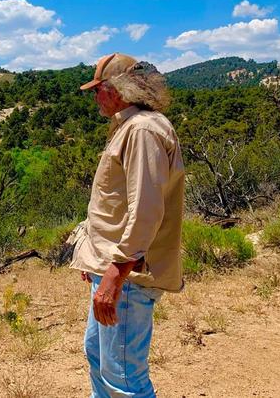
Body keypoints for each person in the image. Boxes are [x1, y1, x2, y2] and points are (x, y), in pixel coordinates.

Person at [70, 53, 185, 397]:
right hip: (115, 268)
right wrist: (93, 256)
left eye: (99, 89)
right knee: (98, 356)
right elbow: (118, 203)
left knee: (123, 379)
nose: (95, 97)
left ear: (119, 89)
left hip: (128, 277)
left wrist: (116, 272)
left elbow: (145, 209)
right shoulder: (133, 127)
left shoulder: (142, 130)